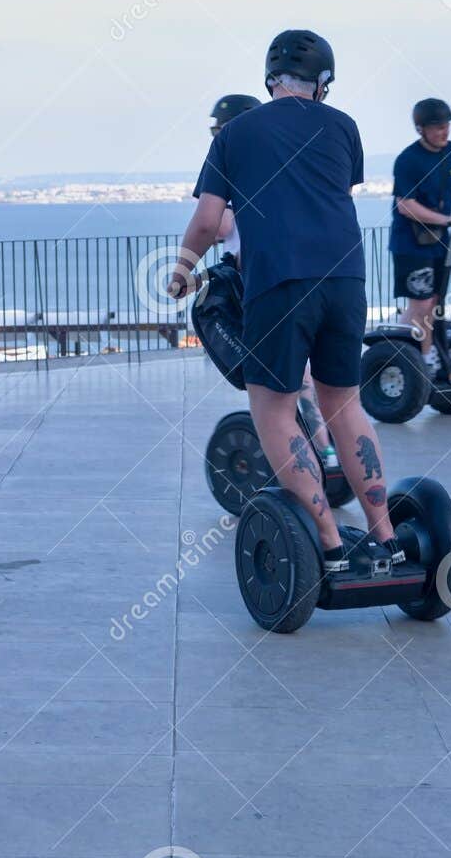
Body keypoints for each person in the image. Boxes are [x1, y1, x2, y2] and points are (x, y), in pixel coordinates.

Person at [170, 30, 402, 578]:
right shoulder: (344, 126)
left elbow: (208, 220)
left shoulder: (237, 133)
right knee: (344, 402)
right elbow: (327, 194)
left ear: (269, 79)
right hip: (346, 277)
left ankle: (327, 540)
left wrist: (182, 270)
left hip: (278, 281)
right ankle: (386, 536)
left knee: (272, 407)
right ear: (324, 84)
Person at [209, 92, 338, 473]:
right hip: (307, 289)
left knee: (282, 389)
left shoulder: (237, 185)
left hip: (266, 301)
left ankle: (319, 456)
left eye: (219, 131)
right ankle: (324, 452)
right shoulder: (279, 177)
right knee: (301, 383)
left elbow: (216, 226)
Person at [389, 99, 451, 377]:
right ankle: (419, 356)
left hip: (439, 240)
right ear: (421, 129)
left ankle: (411, 350)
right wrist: (446, 220)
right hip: (411, 243)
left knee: (434, 301)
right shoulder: (408, 160)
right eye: (438, 127)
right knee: (422, 304)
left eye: (447, 126)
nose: (445, 132)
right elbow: (405, 204)